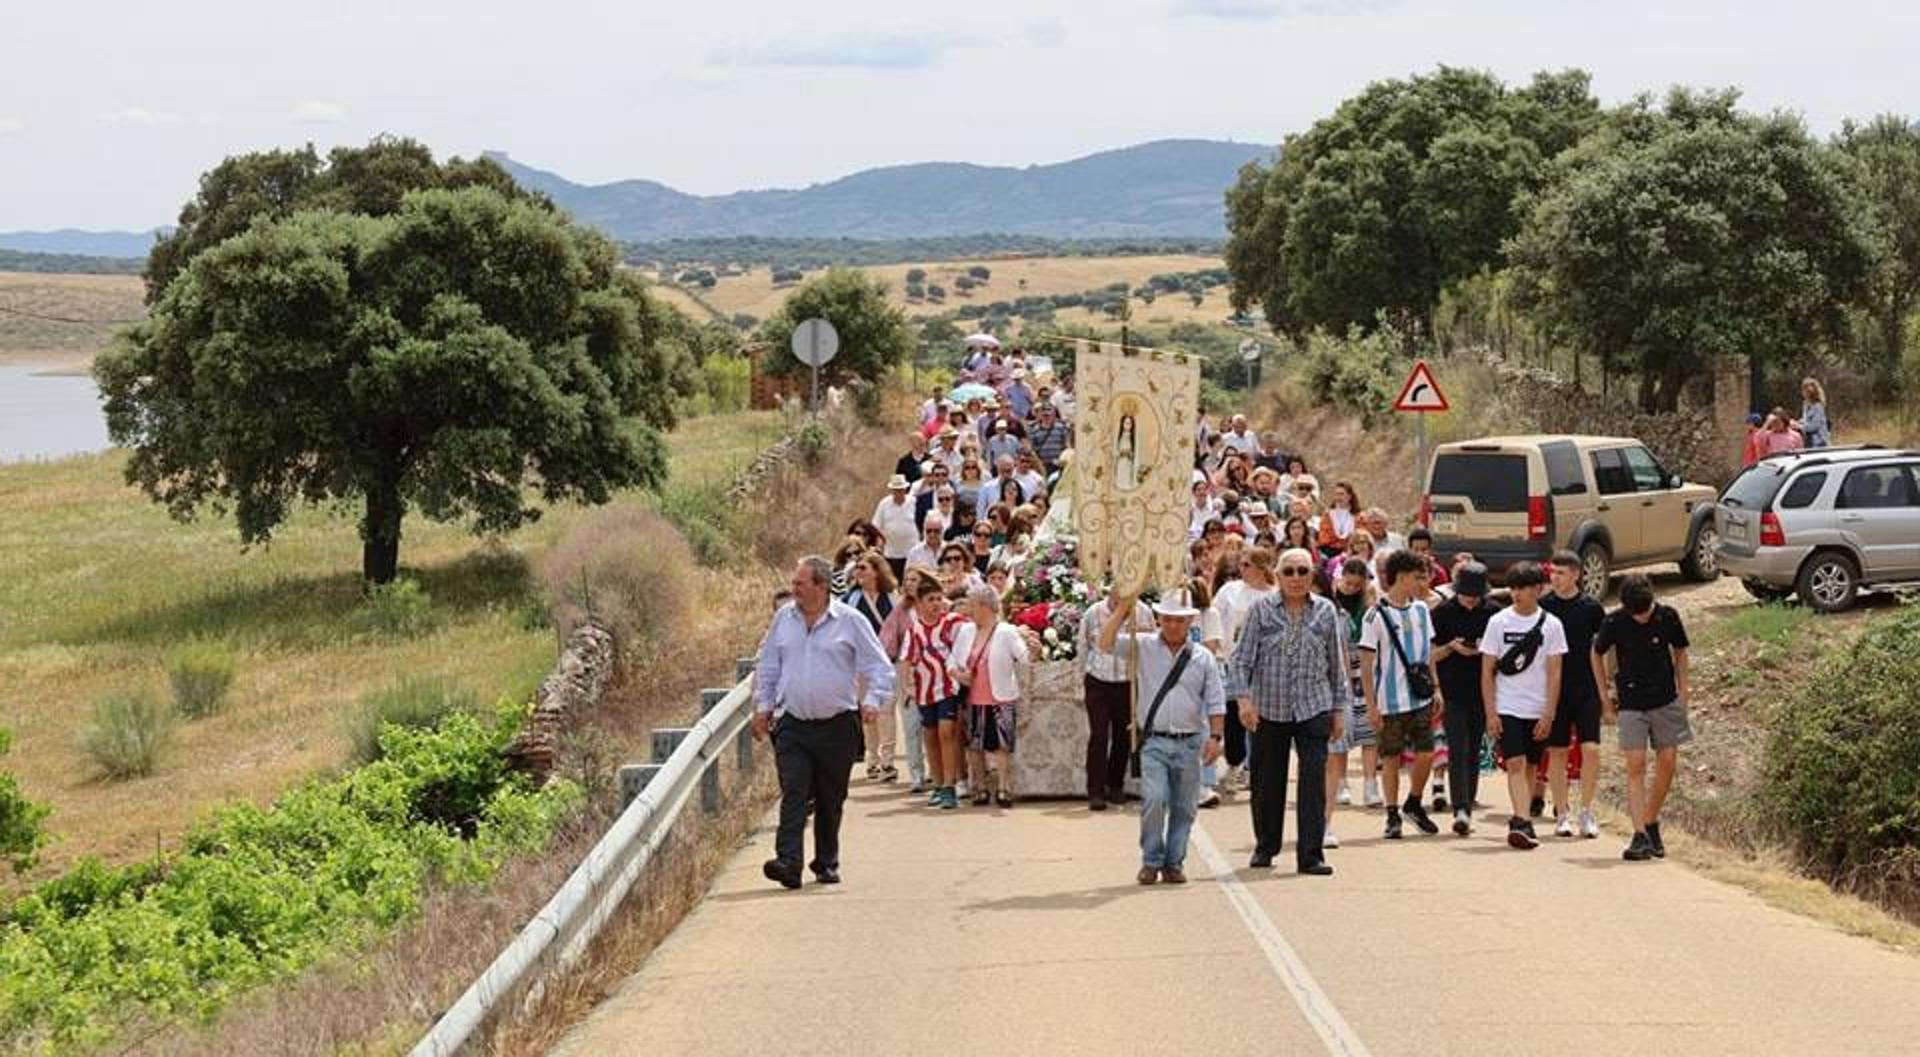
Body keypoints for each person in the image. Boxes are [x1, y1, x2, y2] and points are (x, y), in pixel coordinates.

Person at [753, 557, 897, 889]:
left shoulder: (850, 621)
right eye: (793, 583)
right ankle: (788, 862)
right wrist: (763, 707)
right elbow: (769, 666)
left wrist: (873, 700)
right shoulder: (783, 620)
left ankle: (826, 861)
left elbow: (880, 667)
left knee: (831, 797)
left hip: (838, 725)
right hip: (793, 722)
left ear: (821, 586)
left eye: (800, 584)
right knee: (794, 790)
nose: (794, 589)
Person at [1100, 587, 1228, 885]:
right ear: (1159, 618)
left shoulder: (1203, 658)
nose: (1173, 625)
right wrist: (1122, 611)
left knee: (1185, 808)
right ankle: (1151, 859)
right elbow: (1104, 643)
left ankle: (1174, 862)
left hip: (1189, 740)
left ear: (1190, 622)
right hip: (1155, 739)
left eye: (1179, 620)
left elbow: (1215, 699)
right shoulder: (1142, 645)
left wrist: (1216, 737)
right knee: (1154, 800)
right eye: (1167, 619)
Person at [1228, 548, 1345, 875]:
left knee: (1312, 782)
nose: (1296, 578)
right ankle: (1266, 846)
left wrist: (1339, 710)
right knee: (1267, 780)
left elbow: (1336, 664)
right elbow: (1240, 660)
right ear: (1277, 576)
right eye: (1289, 572)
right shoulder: (1260, 611)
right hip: (1269, 707)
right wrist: (1244, 700)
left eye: (1302, 571)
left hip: (1314, 705)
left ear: (1312, 575)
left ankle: (1311, 854)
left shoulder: (1325, 612)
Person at [1593, 574, 1692, 862]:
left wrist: (1684, 689)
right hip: (1631, 702)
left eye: (1645, 612)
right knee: (1635, 764)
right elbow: (1596, 653)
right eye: (1635, 614)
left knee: (1668, 762)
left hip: (1665, 698)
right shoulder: (1613, 622)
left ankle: (1650, 820)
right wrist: (1604, 696)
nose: (1640, 618)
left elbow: (1681, 650)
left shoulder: (1667, 617)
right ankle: (1638, 834)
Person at [1479, 561, 1567, 851]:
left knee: (1530, 765)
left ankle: (1523, 816)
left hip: (1538, 706)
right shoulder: (1498, 622)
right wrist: (1491, 711)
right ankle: (1520, 820)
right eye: (1513, 588)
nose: (1517, 594)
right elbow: (1487, 670)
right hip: (1508, 704)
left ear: (1539, 590)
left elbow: (1555, 672)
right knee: (1514, 762)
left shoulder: (1553, 625)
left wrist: (1549, 712)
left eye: (1523, 588)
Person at [1359, 550, 1442, 839]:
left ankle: (1414, 802)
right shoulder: (1375, 615)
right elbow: (1367, 664)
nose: (1421, 583)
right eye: (1417, 577)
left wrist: (1436, 686)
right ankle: (1392, 813)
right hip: (1389, 700)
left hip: (1420, 696)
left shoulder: (1420, 610)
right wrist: (1371, 705)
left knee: (1427, 752)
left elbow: (1428, 651)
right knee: (1391, 756)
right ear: (1403, 577)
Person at [1430, 562, 1499, 835]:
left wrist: (1485, 649)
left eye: (1475, 594)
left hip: (1483, 690)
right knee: (1457, 746)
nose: (1471, 599)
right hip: (1451, 690)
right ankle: (1460, 808)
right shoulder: (1442, 613)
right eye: (1466, 594)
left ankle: (1467, 800)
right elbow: (1429, 654)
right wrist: (1452, 647)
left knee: (1473, 749)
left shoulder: (1494, 613)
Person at [1543, 551, 1607, 839]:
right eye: (1552, 573)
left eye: (1561, 573)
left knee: (1591, 749)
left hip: (1587, 687)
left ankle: (1587, 810)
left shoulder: (1592, 608)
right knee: (1557, 751)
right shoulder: (1544, 607)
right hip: (1555, 689)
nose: (1555, 578)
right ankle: (1561, 812)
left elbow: (1604, 650)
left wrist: (1607, 688)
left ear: (1576, 575)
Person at [950, 585, 1029, 808]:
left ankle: (1004, 788)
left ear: (985, 607)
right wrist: (958, 674)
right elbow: (952, 661)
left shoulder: (1006, 631)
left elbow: (1023, 658)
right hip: (972, 698)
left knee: (1002, 745)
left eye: (972, 605)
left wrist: (1034, 649)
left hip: (1001, 697)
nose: (969, 610)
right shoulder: (966, 631)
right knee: (974, 745)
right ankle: (981, 788)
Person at [1078, 588, 1155, 810]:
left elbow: (1150, 644)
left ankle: (1115, 785)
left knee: (1124, 735)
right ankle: (1095, 790)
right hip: (1098, 680)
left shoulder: (1143, 612)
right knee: (1099, 735)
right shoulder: (1094, 612)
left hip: (1127, 680)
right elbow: (1083, 646)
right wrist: (1081, 677)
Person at [903, 575, 969, 810]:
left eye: (939, 599)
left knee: (947, 733)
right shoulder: (914, 630)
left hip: (949, 688)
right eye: (930, 599)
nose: (936, 604)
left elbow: (972, 630)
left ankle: (950, 786)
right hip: (924, 691)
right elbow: (907, 660)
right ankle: (939, 785)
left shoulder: (952, 622)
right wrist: (906, 686)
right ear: (919, 603)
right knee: (930, 737)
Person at [1327, 557, 1382, 831]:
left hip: (1364, 668)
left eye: (1356, 585)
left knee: (1369, 729)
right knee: (1343, 731)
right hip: (1339, 668)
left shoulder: (1369, 605)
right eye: (1348, 583)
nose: (1350, 588)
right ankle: (1341, 781)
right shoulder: (1331, 602)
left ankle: (1371, 785)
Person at [844, 552, 900, 784]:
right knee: (869, 712)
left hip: (888, 663)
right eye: (857, 568)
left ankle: (887, 760)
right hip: (861, 665)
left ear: (876, 571)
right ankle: (872, 759)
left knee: (886, 710)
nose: (859, 572)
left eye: (863, 567)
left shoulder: (892, 598)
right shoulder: (851, 599)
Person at [873, 476, 918, 579]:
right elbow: (876, 525)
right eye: (896, 490)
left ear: (905, 490)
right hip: (891, 553)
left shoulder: (913, 502)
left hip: (911, 552)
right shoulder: (884, 504)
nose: (898, 493)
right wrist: (881, 543)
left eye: (901, 490)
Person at [1316, 481, 1360, 558]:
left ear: (1349, 496)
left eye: (1341, 494)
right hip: (1330, 553)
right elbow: (1324, 539)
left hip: (1353, 553)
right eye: (1336, 494)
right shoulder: (1327, 516)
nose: (1338, 498)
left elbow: (1359, 537)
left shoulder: (1359, 517)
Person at [1026, 402, 1072, 474]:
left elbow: (1066, 445)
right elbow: (1033, 450)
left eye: (1048, 415)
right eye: (1044, 415)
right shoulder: (1034, 430)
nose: (1046, 417)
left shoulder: (1061, 428)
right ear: (1041, 416)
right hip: (1043, 465)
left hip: (1058, 464)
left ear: (1053, 415)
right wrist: (1039, 464)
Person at [1797, 377, 1832, 448]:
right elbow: (1807, 419)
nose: (1803, 392)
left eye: (1804, 390)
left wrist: (1799, 426)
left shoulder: (1818, 406)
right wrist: (1798, 422)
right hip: (1808, 441)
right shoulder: (1805, 404)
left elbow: (1814, 426)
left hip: (1819, 443)